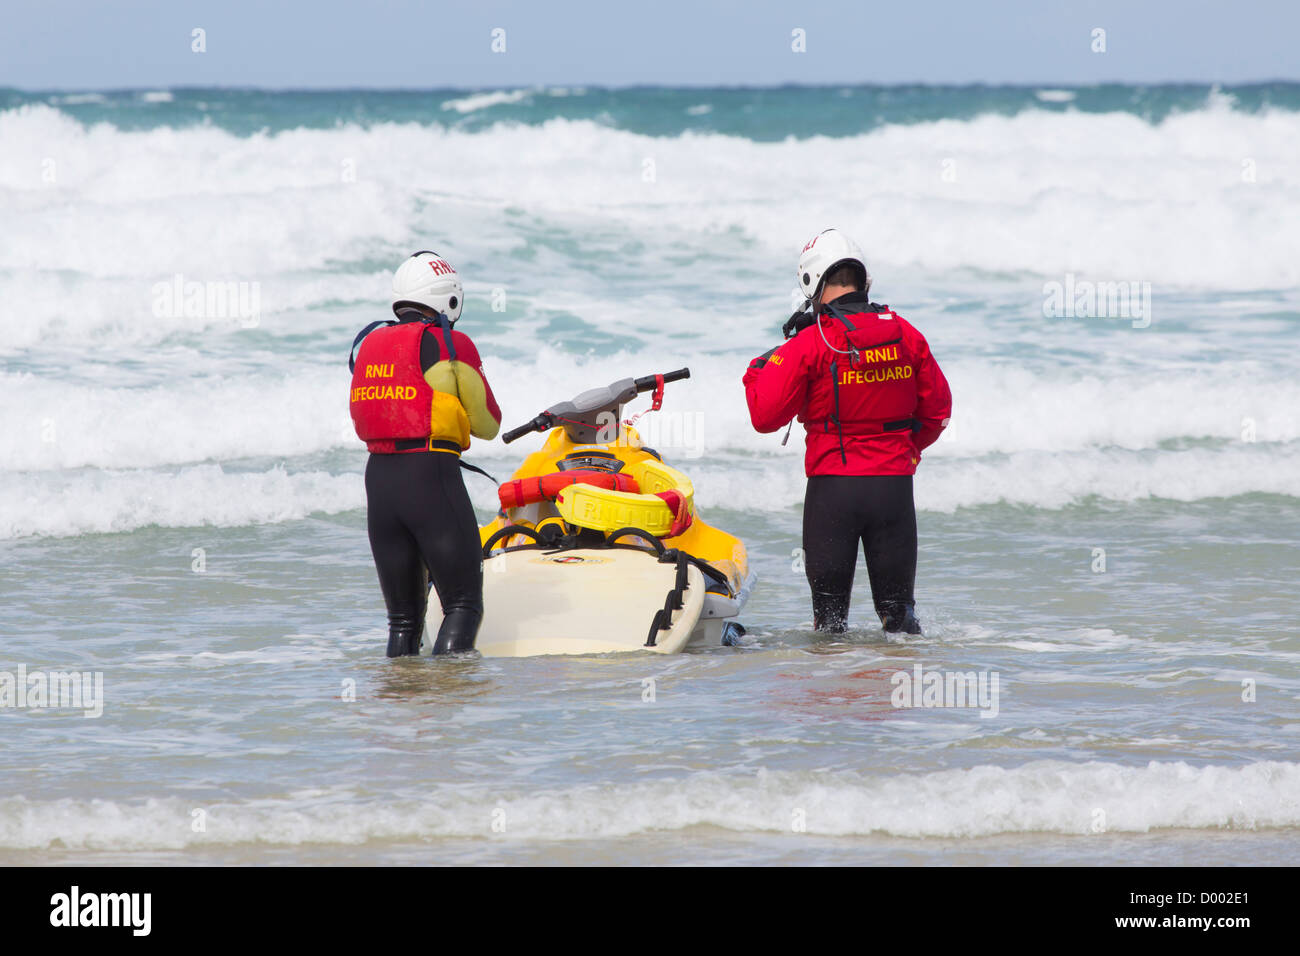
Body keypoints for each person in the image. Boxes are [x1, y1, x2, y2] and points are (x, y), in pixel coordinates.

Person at [743, 228, 952, 634]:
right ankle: (901, 691)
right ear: (862, 280)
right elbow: (939, 411)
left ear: (811, 281)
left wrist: (758, 369)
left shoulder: (809, 343)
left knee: (829, 622)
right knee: (900, 620)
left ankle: (835, 695)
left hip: (833, 491)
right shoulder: (906, 333)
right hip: (893, 488)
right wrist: (908, 449)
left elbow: (764, 417)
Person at [348, 250, 502, 656]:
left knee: (403, 619)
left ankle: (401, 701)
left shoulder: (369, 344)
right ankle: (450, 701)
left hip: (379, 481)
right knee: (462, 604)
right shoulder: (450, 343)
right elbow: (489, 423)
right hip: (429, 477)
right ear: (450, 298)